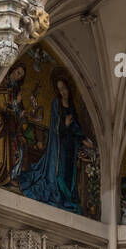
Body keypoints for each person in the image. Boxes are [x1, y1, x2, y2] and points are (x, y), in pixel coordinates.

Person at [19, 70, 95, 213]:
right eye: (60, 90)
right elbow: (55, 127)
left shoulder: (71, 105)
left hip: (70, 145)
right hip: (59, 145)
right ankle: (60, 194)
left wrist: (83, 140)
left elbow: (76, 126)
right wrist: (64, 125)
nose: (62, 92)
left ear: (68, 88)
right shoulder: (56, 103)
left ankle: (67, 195)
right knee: (60, 171)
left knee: (69, 172)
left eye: (64, 88)